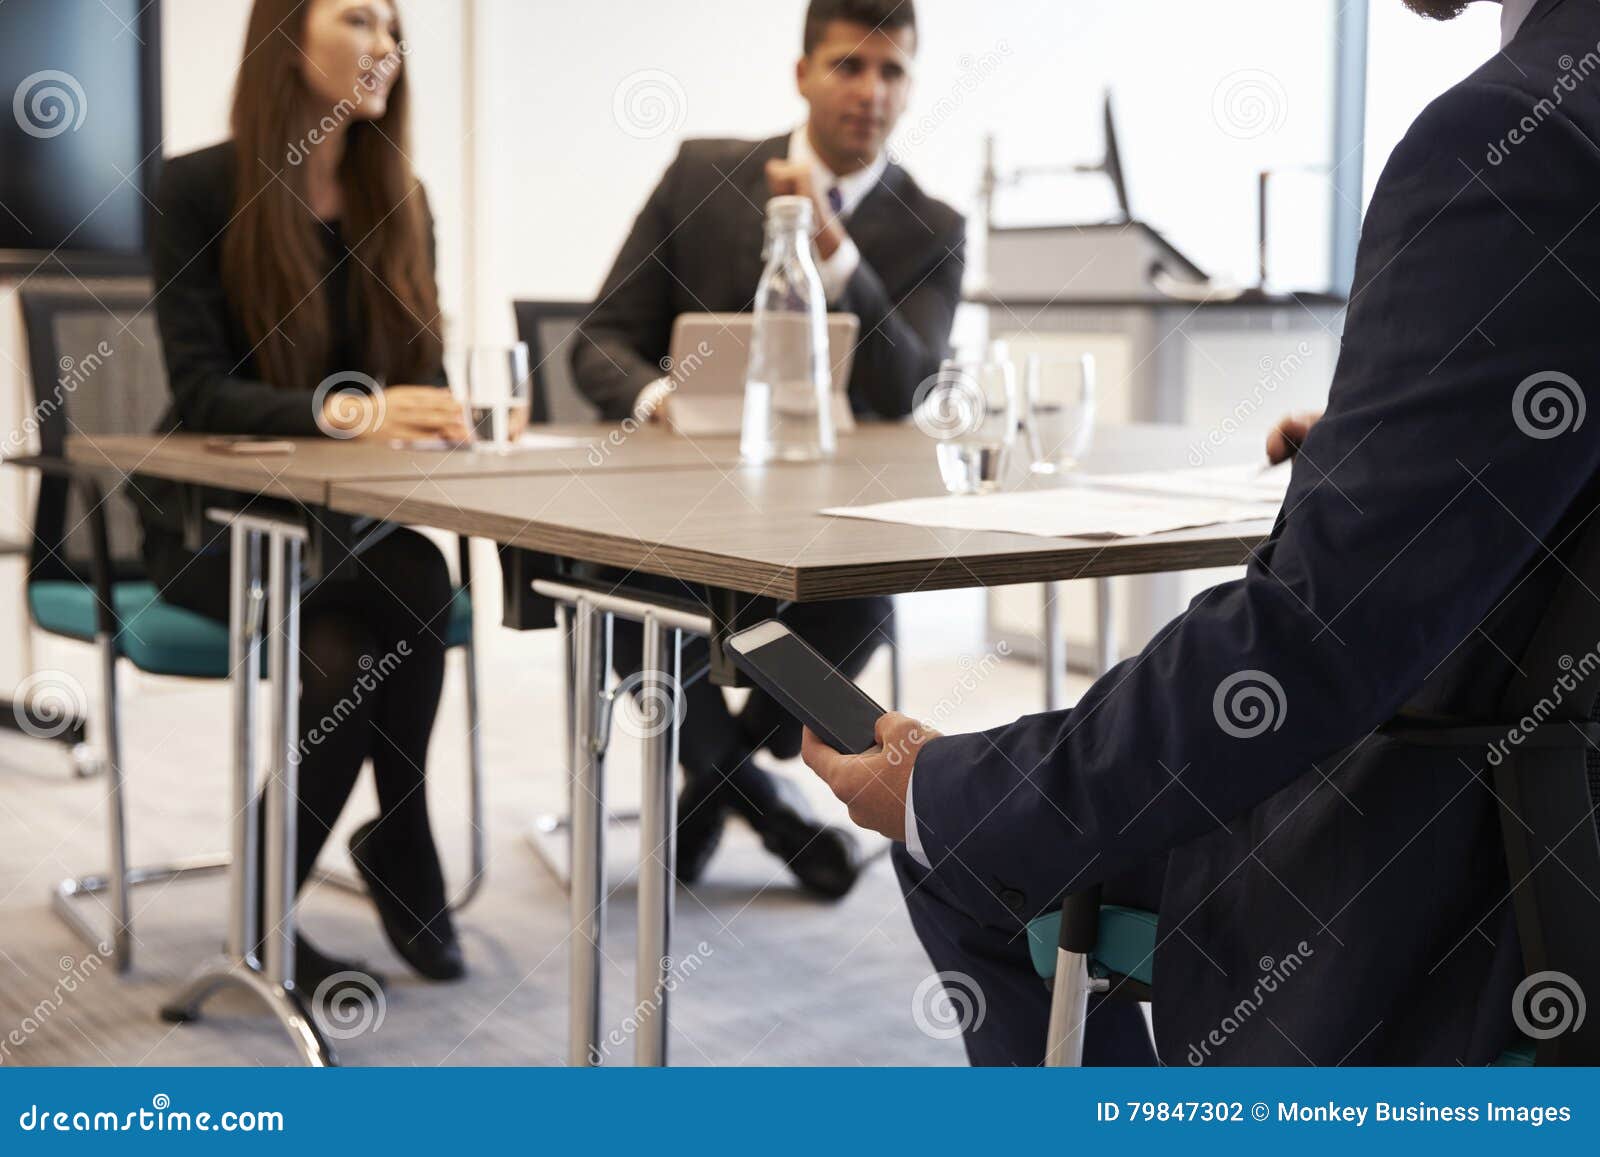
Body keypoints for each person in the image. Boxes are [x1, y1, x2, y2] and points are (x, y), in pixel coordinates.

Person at [803, 0, 1593, 1063]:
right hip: (1548, 798)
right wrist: (1387, 452)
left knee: (963, 845)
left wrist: (948, 792)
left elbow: (1310, 638)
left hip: (1467, 861)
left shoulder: (1515, 132)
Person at [568, 0, 965, 897]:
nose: (871, 92)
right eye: (848, 66)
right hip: (677, 510)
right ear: (802, 74)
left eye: (892, 71)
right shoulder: (701, 176)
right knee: (622, 590)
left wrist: (831, 248)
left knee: (861, 607)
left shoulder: (933, 226)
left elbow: (909, 384)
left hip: (830, 524)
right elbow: (600, 337)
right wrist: (660, 398)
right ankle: (764, 803)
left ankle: (715, 786)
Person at [138, 0, 467, 992]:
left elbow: (422, 378)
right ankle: (398, 839)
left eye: (393, 28)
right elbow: (202, 390)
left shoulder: (396, 194)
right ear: (287, 36)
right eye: (359, 19)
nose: (386, 48)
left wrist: (433, 412)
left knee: (349, 641)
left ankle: (267, 912)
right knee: (412, 580)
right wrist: (354, 412)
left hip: (340, 534)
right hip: (210, 527)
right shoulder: (197, 188)